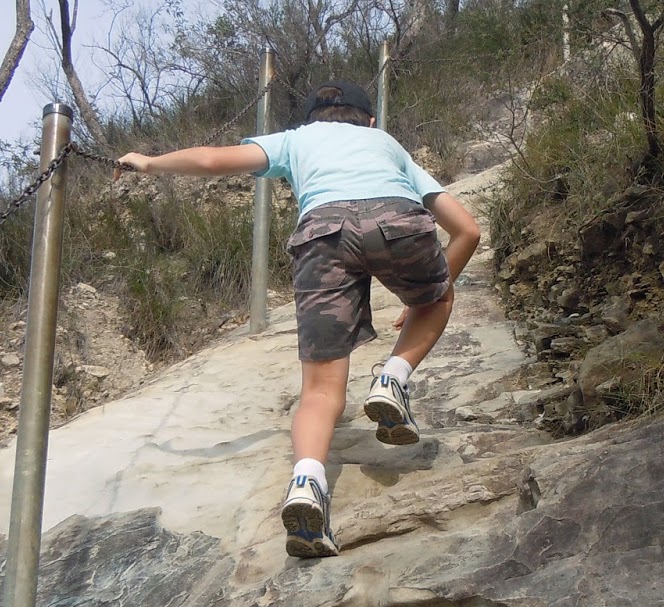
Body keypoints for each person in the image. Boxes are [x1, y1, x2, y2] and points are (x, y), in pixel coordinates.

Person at [117, 79, 480, 559]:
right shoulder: (387, 144)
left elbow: (210, 161)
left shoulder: (295, 140)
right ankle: (393, 378)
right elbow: (467, 230)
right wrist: (426, 296)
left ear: (310, 120)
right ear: (370, 120)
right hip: (399, 221)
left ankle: (307, 483)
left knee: (320, 391)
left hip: (323, 236)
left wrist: (149, 162)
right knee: (438, 297)